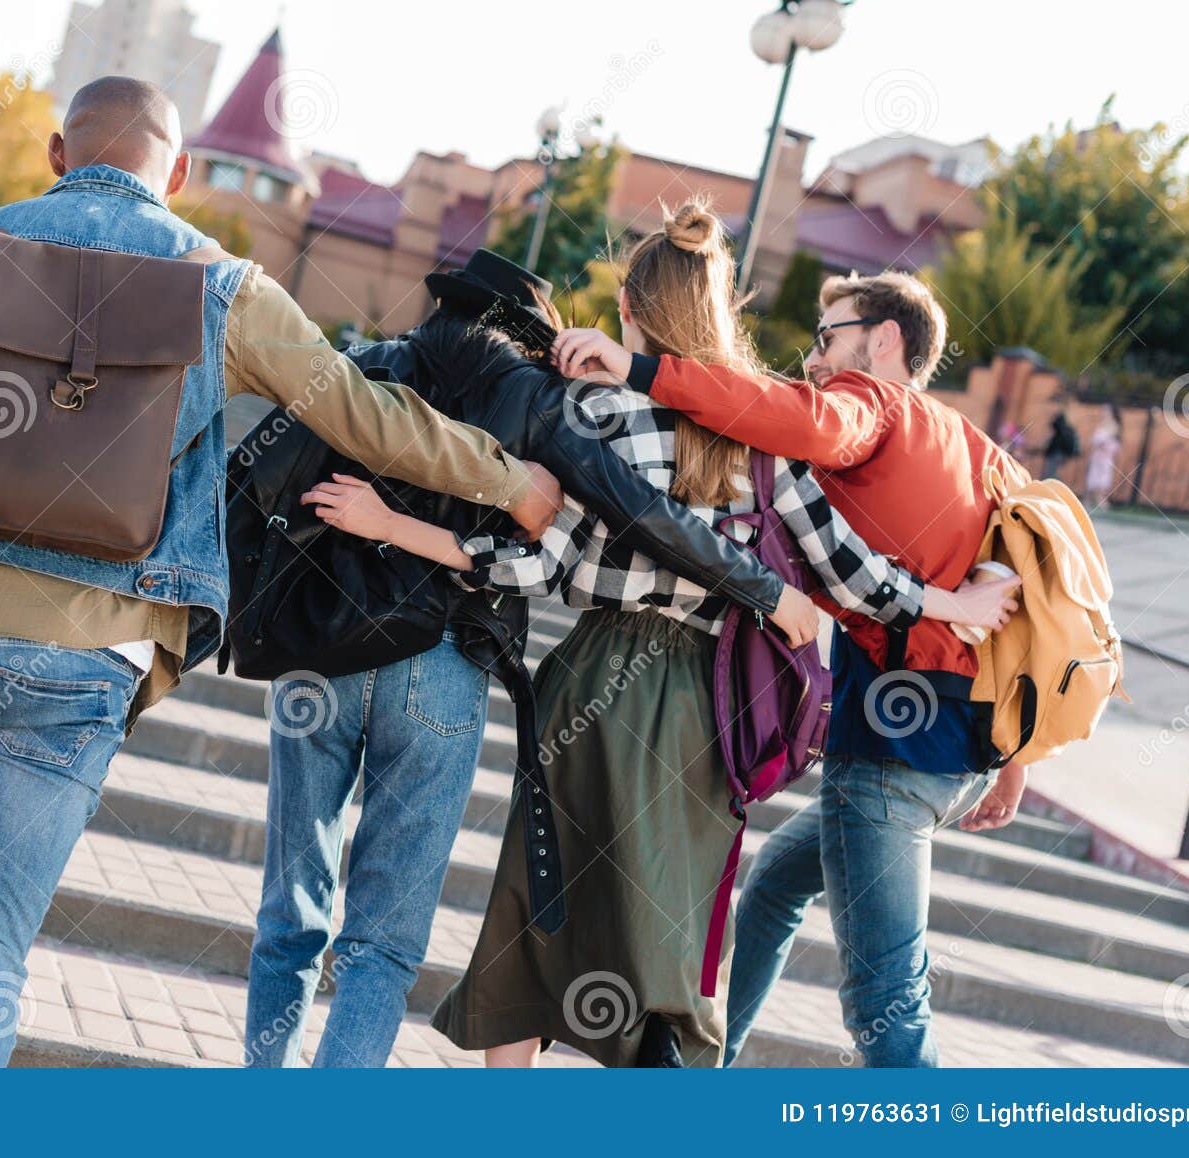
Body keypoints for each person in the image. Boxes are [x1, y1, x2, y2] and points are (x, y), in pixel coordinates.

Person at [0, 77, 571, 1068]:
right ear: (182, 172)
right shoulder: (226, 288)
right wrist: (509, 481)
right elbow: (365, 416)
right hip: (78, 649)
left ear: (56, 154)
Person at [307, 203, 1017, 1067]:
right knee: (673, 944)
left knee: (537, 916)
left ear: (631, 312)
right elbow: (853, 574)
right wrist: (953, 607)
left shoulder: (598, 413)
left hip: (596, 684)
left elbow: (538, 565)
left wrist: (393, 524)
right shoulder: (765, 447)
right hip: (712, 709)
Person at [238, 249, 827, 1067]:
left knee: (290, 910)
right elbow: (627, 515)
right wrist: (765, 591)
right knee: (385, 939)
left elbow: (259, 481)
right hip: (443, 660)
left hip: (319, 655)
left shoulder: (362, 370)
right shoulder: (544, 401)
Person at [552, 267, 1031, 1067]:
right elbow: (1036, 604)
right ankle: (709, 1071)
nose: (812, 360)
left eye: (827, 337)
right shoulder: (978, 450)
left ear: (885, 340)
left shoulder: (872, 403)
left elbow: (784, 416)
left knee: (886, 1001)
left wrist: (635, 365)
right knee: (776, 885)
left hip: (895, 756)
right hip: (965, 753)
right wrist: (1018, 756)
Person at [1084, 405, 1122, 508]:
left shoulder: (1114, 425)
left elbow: (1105, 442)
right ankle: (1090, 501)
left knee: (1102, 480)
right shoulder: (1101, 425)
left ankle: (1101, 501)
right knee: (1092, 478)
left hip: (1105, 458)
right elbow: (1095, 441)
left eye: (1107, 411)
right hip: (1096, 457)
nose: (1104, 413)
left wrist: (1100, 445)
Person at [1044, 409, 1082, 481]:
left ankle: (1051, 485)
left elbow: (1056, 444)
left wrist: (1048, 451)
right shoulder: (1068, 430)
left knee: (1051, 472)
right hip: (1064, 455)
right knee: (1053, 472)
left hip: (1058, 454)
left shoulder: (1061, 430)